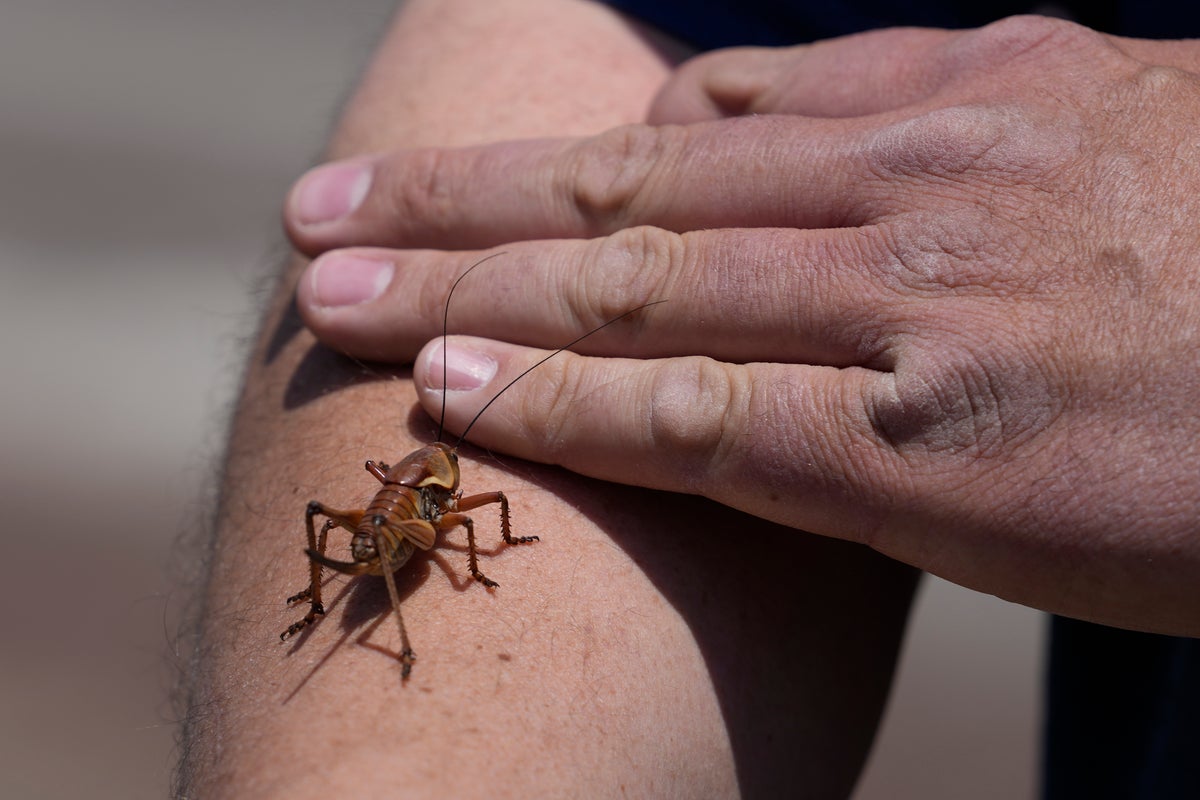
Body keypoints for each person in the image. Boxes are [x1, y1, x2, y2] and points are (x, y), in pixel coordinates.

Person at [180, 2, 1200, 797]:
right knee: (363, 551)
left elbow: (466, 508)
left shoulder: (447, 504)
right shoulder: (419, 496)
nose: (444, 498)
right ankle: (322, 597)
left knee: (404, 568)